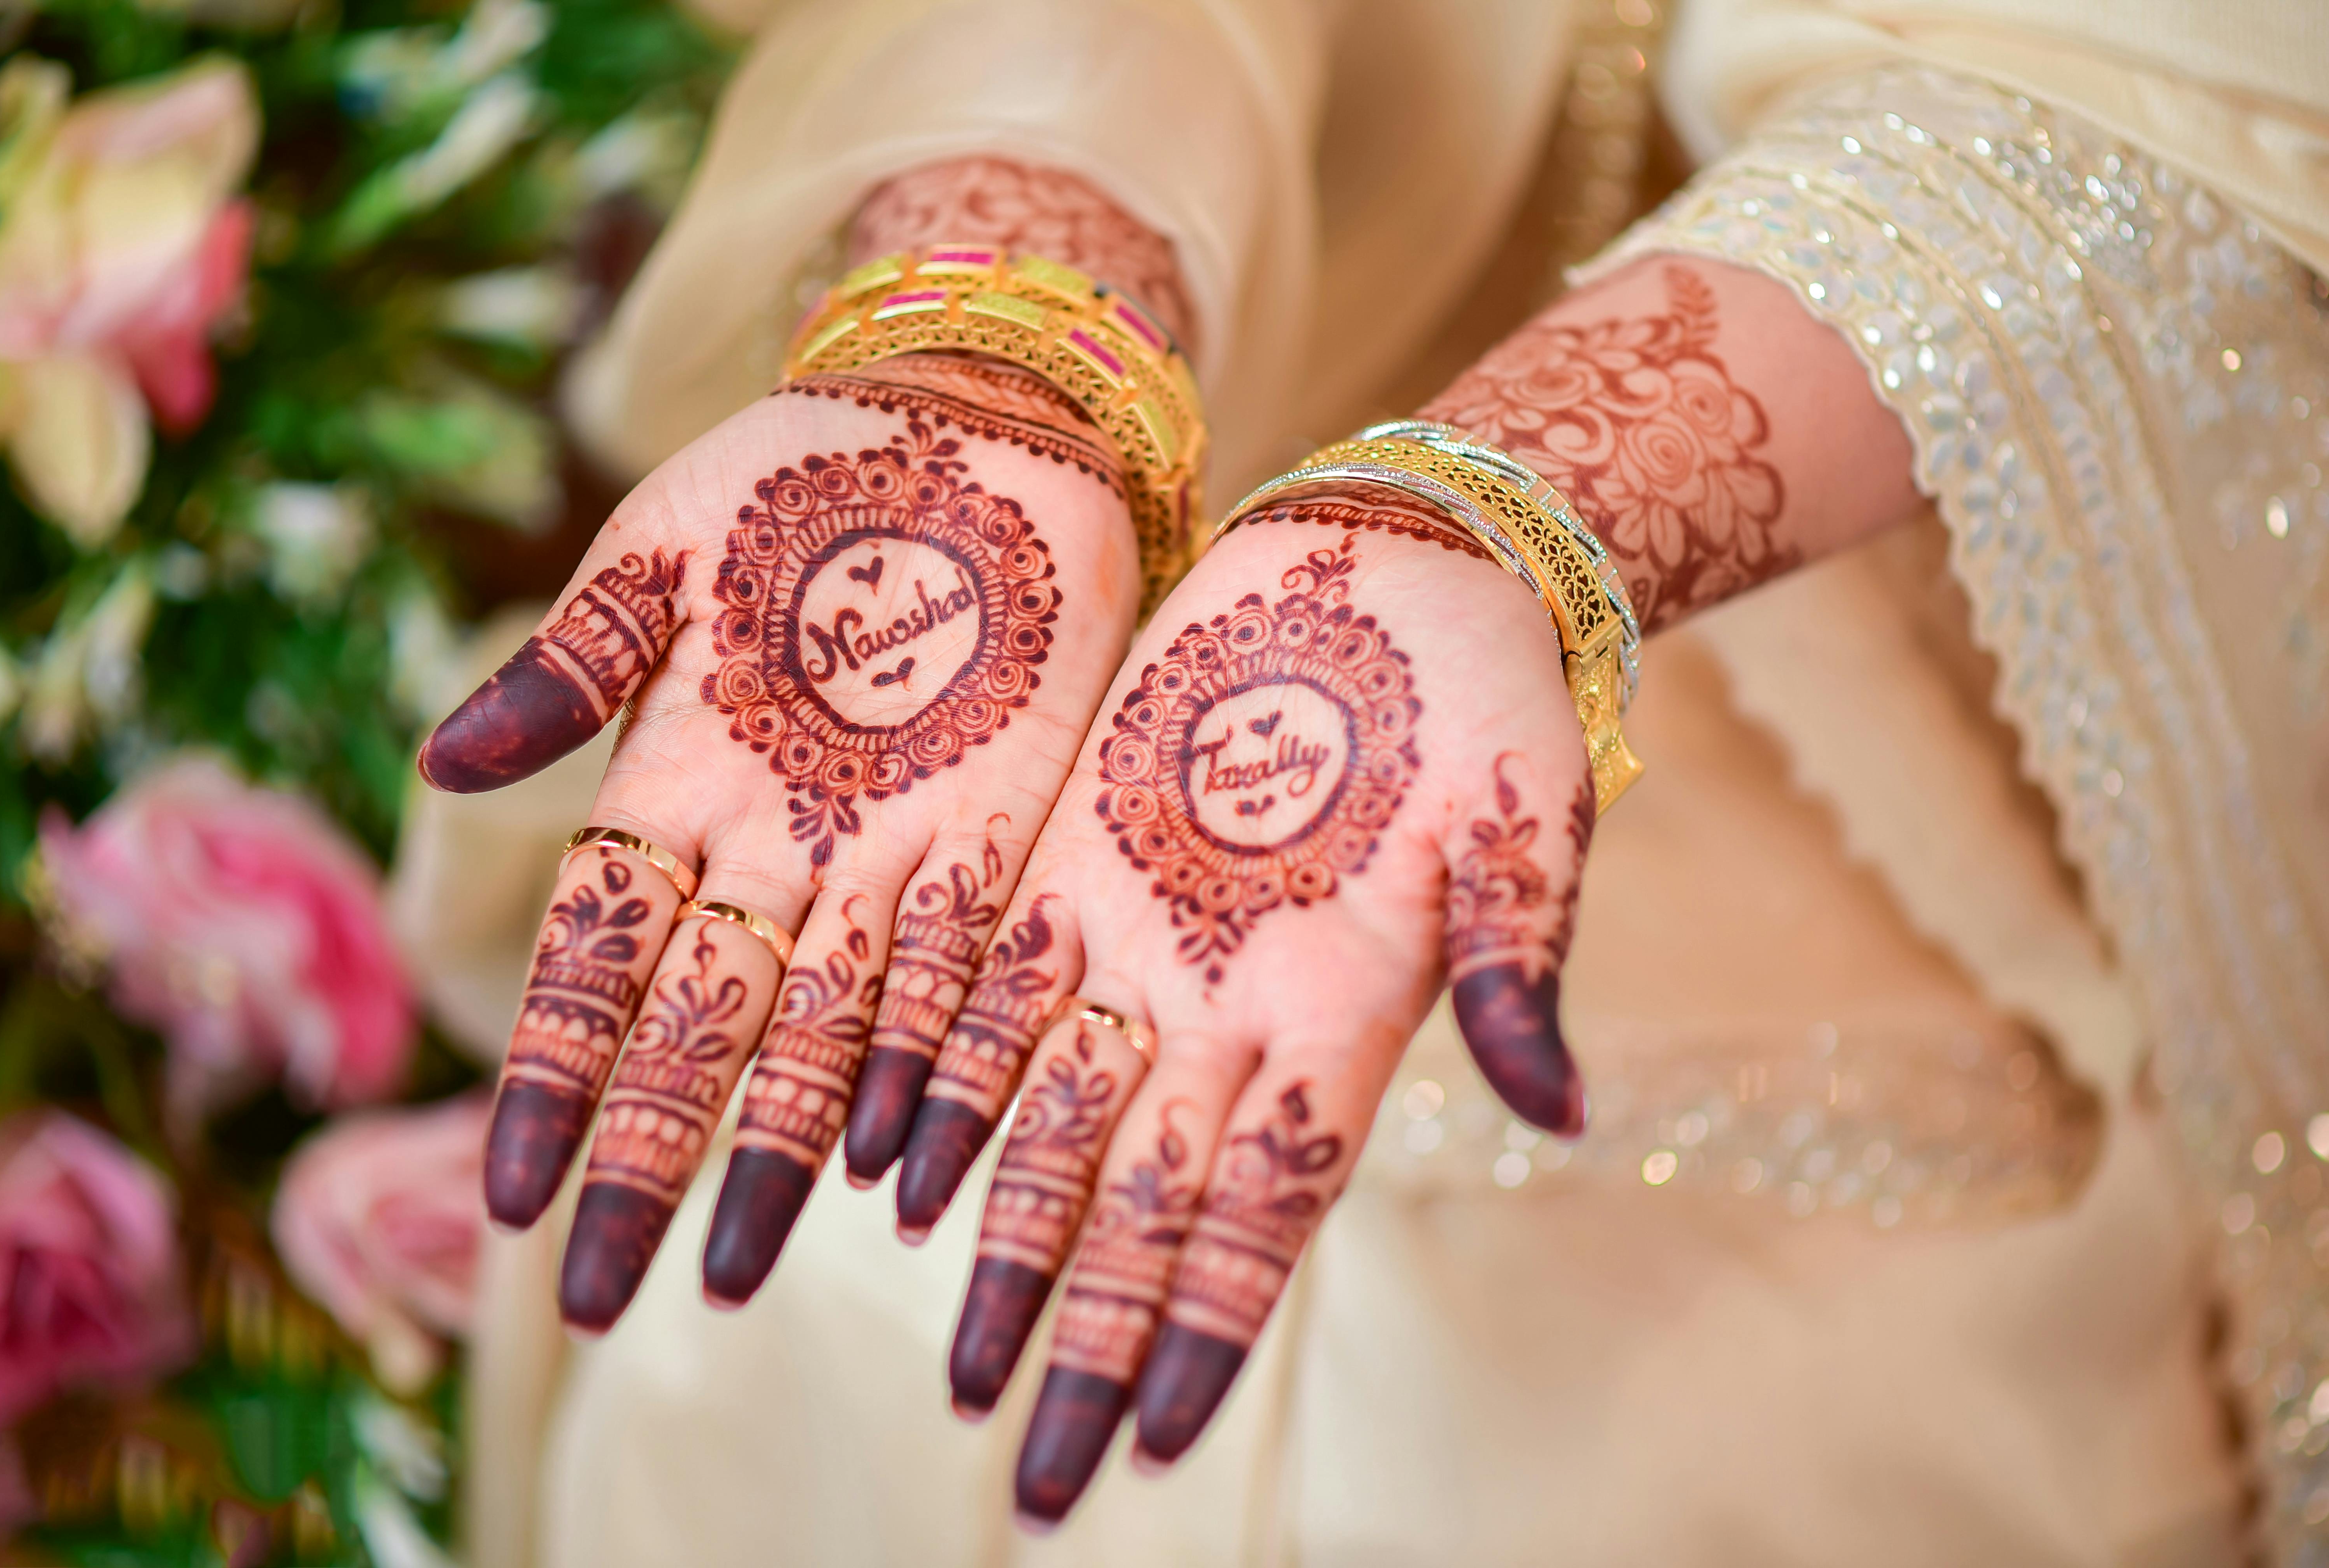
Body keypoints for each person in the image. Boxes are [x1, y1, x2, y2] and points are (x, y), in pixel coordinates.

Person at [391, 0, 2329, 1559]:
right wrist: (997, 360)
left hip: (1882, 612)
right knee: (808, 1274)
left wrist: (1493, 515)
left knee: (1604, 1436)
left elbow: (2164, 75)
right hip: (1238, 384)